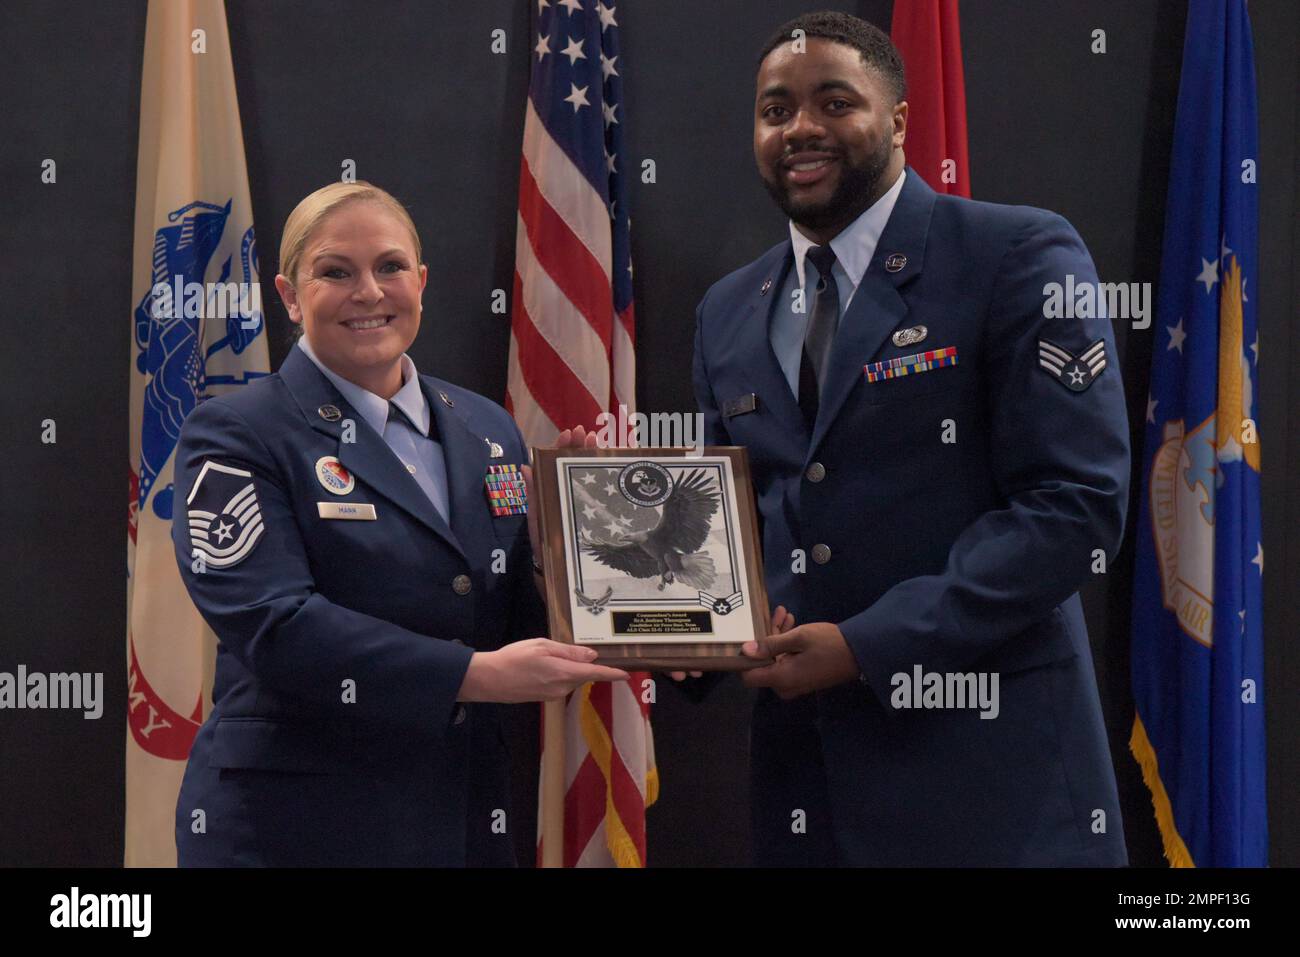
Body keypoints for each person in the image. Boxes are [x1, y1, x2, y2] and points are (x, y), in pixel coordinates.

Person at [691, 12, 1130, 866]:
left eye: (834, 101)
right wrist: (681, 637)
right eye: (776, 110)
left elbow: (1075, 511)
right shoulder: (726, 310)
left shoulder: (1018, 254)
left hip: (994, 794)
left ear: (897, 119)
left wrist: (867, 645)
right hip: (804, 795)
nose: (801, 128)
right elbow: (734, 524)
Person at [170, 181, 626, 867]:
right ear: (290, 296)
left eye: (389, 267)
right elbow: (276, 623)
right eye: (335, 271)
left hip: (462, 815)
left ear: (421, 281)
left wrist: (559, 552)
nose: (369, 291)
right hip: (296, 827)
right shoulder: (235, 432)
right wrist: (471, 674)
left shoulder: (487, 429)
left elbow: (508, 622)